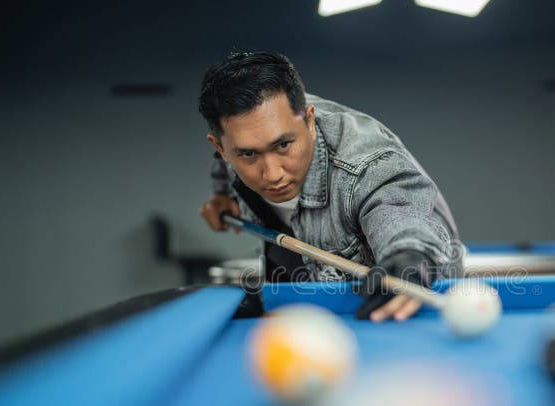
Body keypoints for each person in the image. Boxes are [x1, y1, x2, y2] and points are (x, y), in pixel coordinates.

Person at [198, 52, 463, 322]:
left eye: (283, 145)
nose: (273, 174)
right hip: (297, 264)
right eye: (248, 155)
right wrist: (221, 194)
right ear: (221, 147)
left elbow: (399, 209)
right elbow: (222, 166)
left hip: (408, 294)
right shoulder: (239, 138)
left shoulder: (364, 167)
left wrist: (409, 256)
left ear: (310, 121)